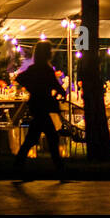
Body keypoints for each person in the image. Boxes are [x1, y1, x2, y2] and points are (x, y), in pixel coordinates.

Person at [13, 40, 67, 178]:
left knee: (34, 138)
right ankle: (60, 170)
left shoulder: (34, 68)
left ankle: (18, 166)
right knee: (51, 138)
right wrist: (61, 93)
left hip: (36, 106)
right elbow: (57, 86)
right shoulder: (46, 69)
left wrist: (32, 89)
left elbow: (19, 78)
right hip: (43, 106)